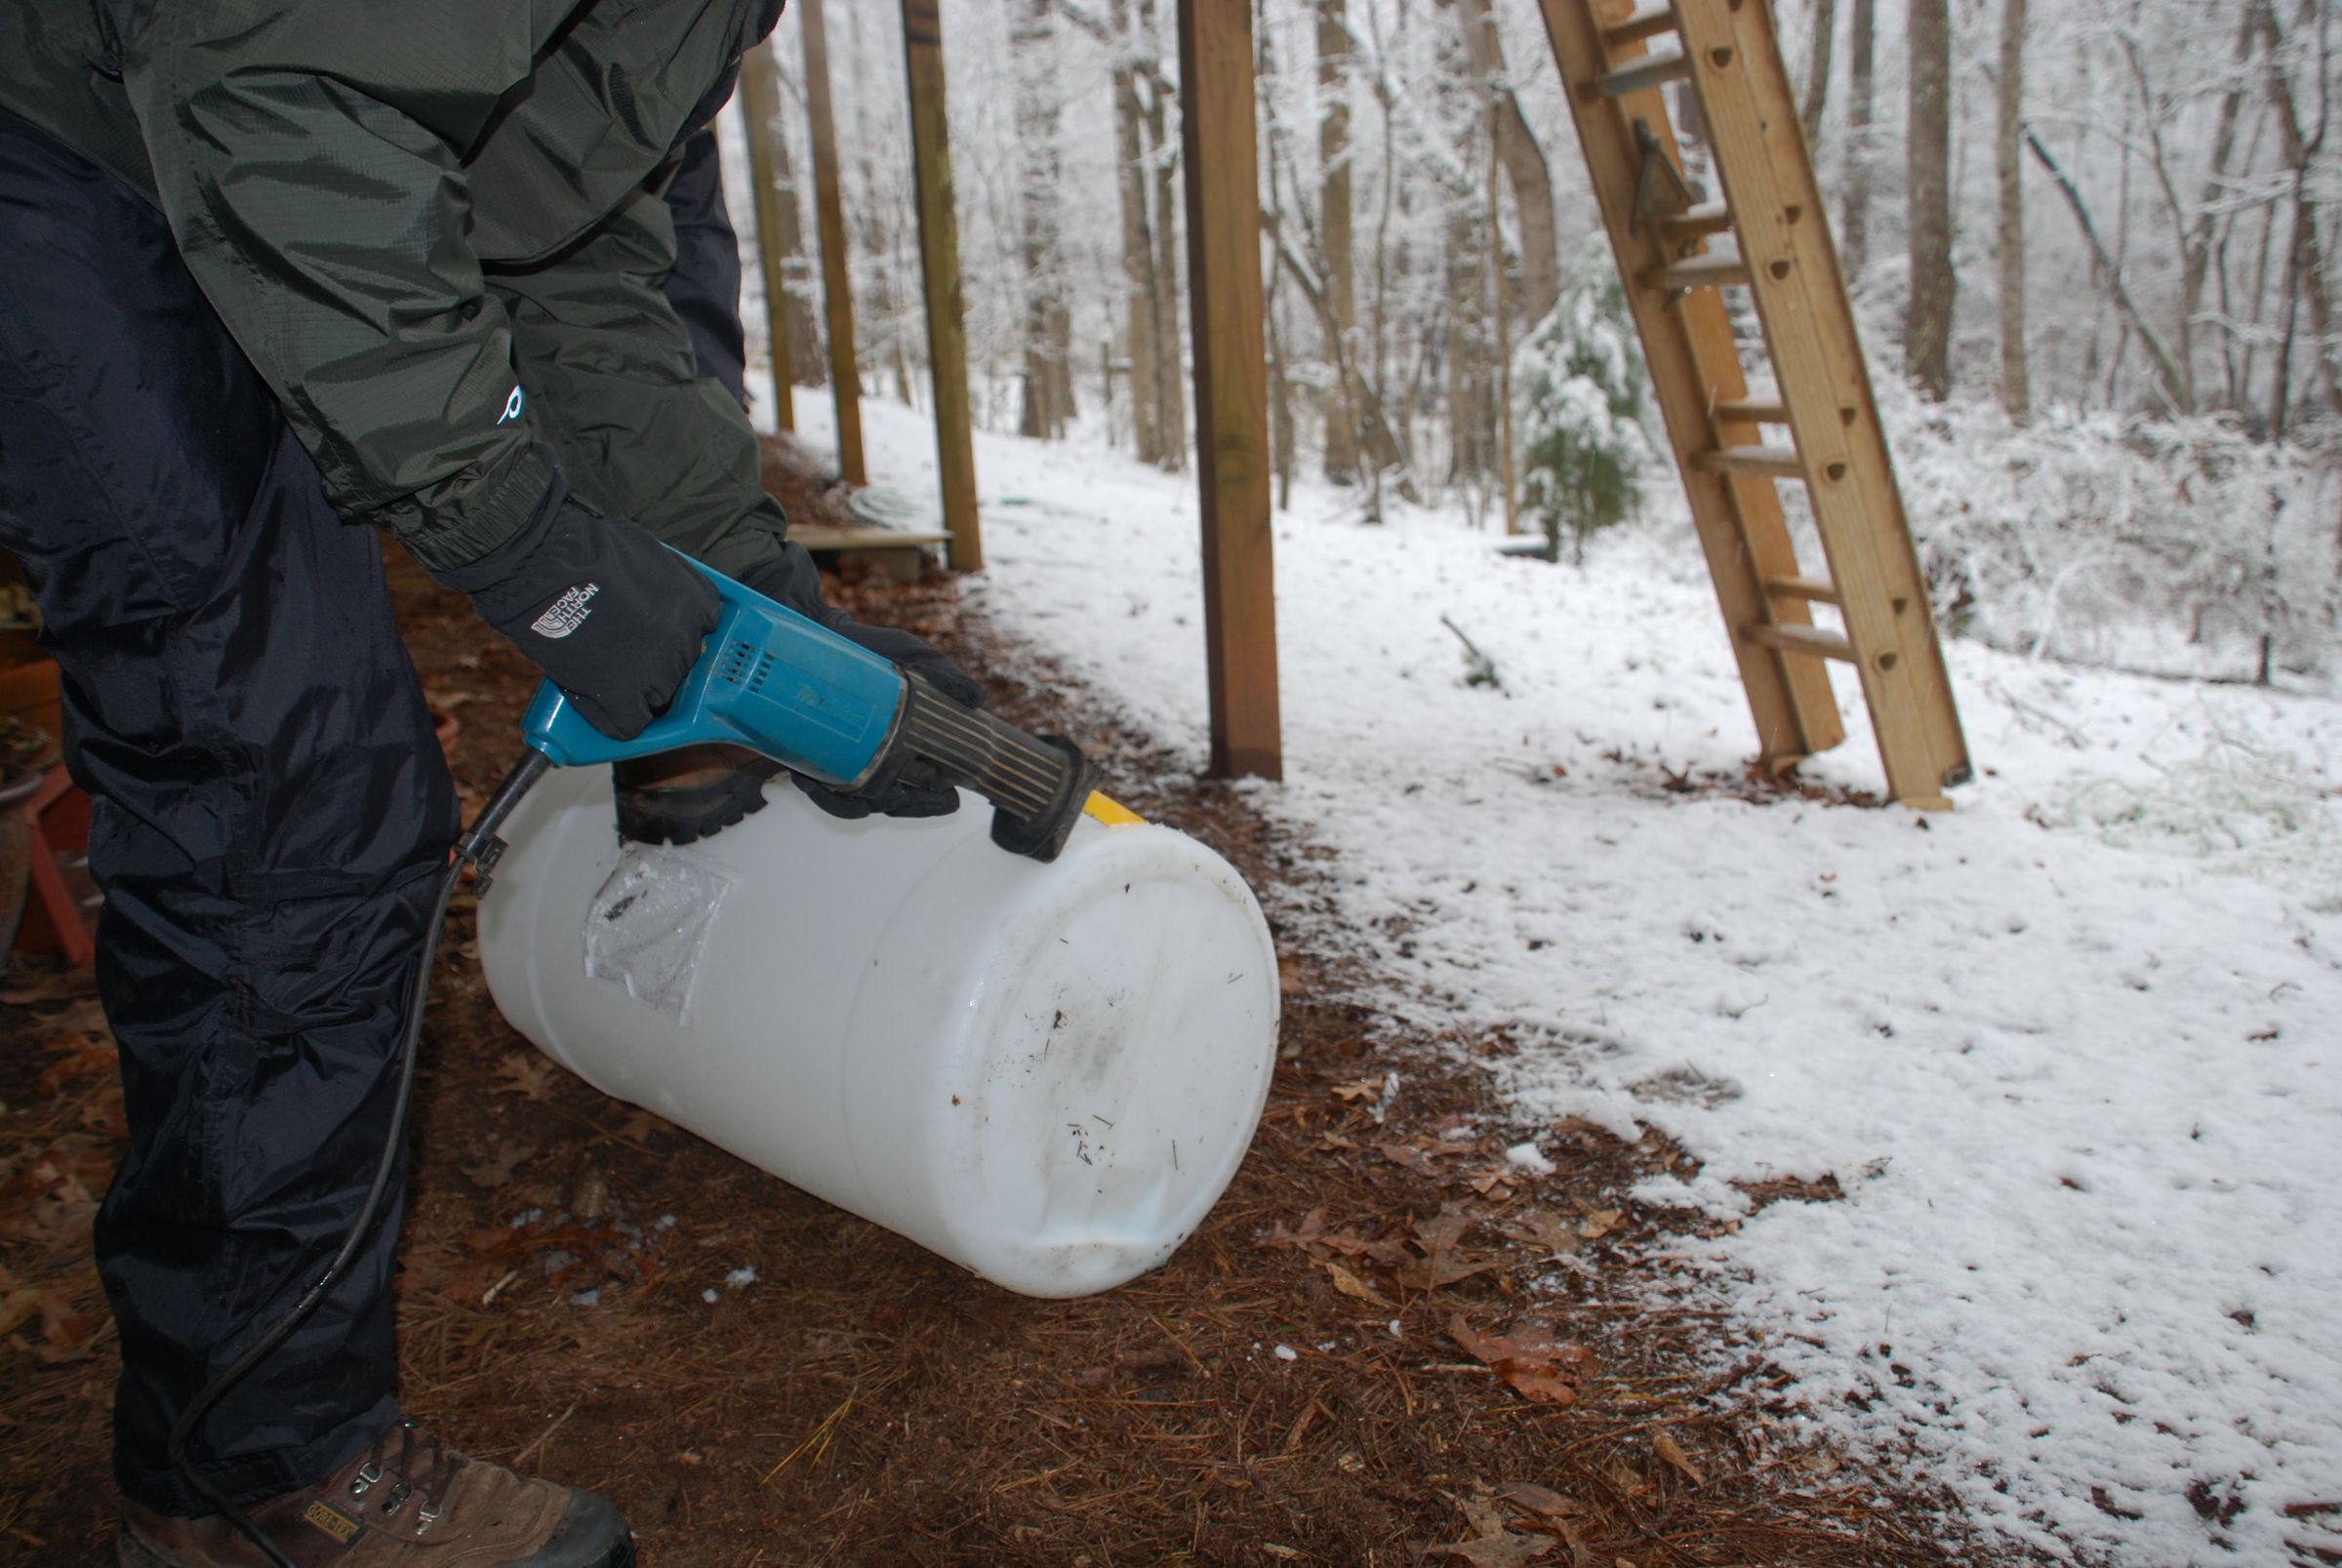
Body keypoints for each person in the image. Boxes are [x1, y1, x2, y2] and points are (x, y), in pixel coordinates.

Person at [0, 3, 971, 1562]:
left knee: (309, 767)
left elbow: (563, 251)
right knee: (282, 784)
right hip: (75, 148)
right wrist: (528, 547)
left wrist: (754, 601)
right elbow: (285, 101)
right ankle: (251, 1476)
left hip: (223, 126)